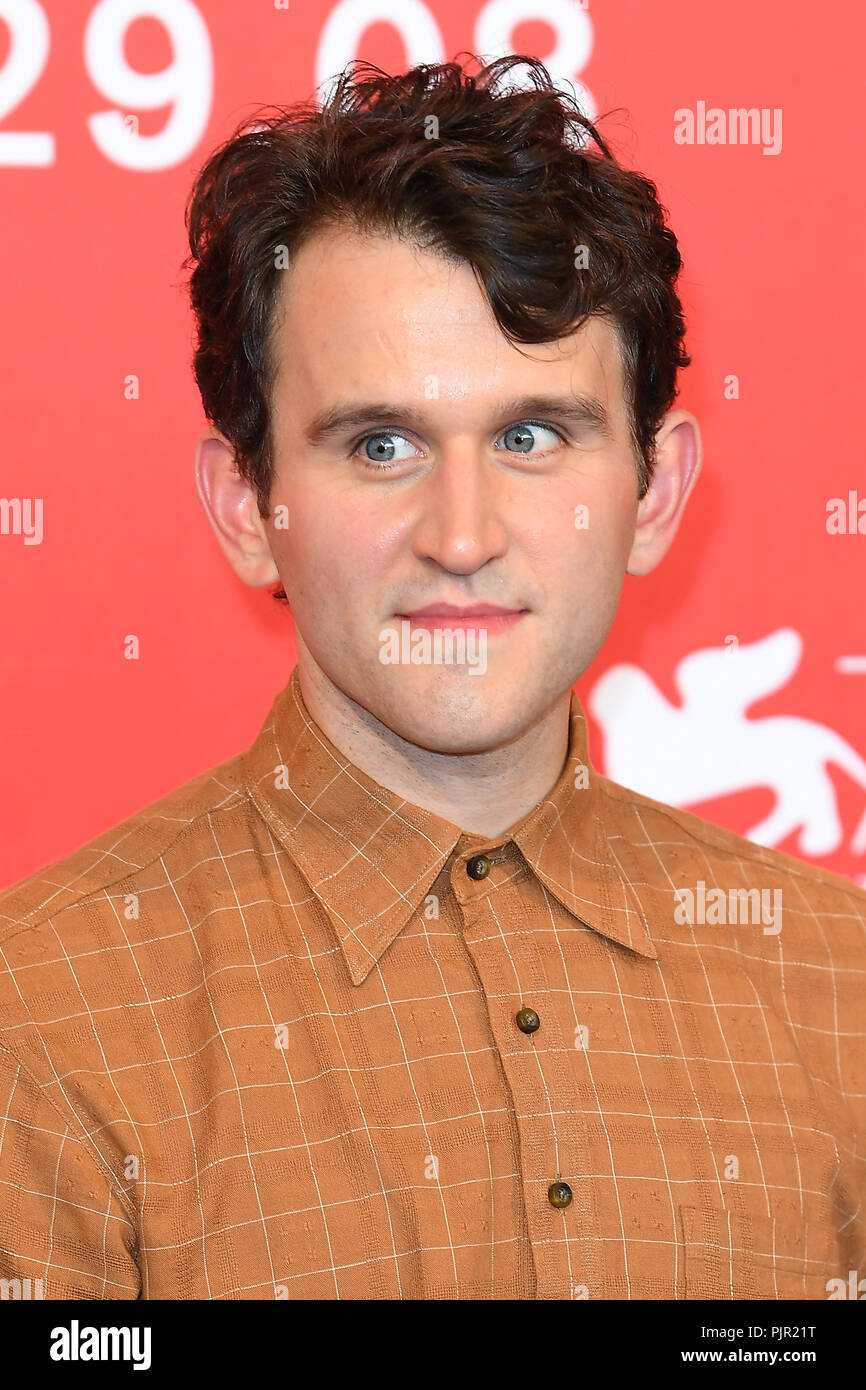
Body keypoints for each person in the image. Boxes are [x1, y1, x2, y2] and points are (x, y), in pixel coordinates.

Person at [0, 55, 862, 1302]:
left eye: (528, 437)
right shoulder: (39, 1018)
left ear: (653, 492)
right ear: (248, 505)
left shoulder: (838, 984)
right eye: (382, 443)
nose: (461, 535)